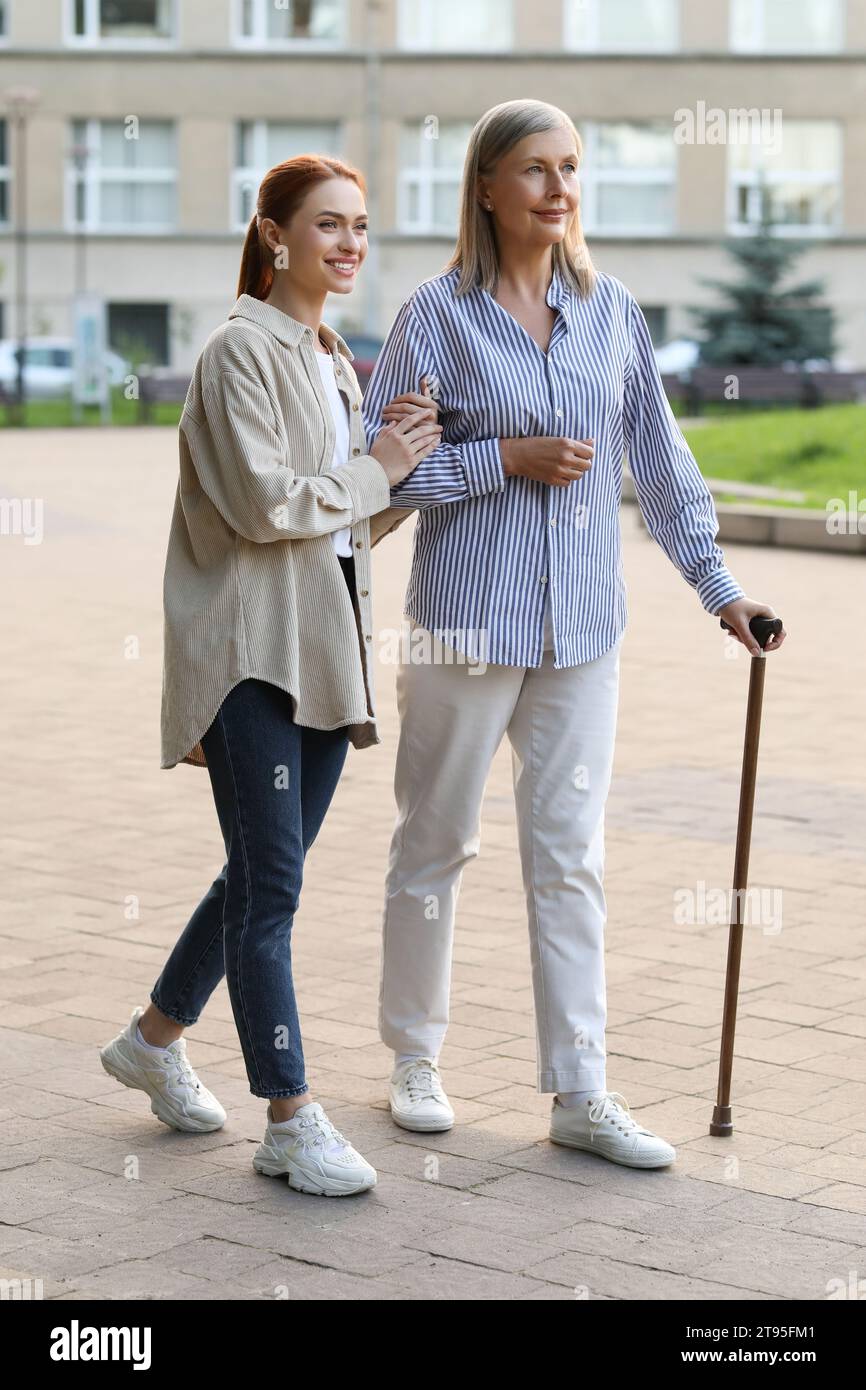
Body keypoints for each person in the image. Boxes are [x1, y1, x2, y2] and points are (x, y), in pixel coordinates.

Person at [362, 99, 786, 1168]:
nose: (558, 189)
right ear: (487, 189)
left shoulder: (609, 312)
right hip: (465, 625)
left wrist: (719, 589)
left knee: (569, 860)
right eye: (535, 171)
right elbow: (380, 478)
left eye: (570, 169)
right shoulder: (433, 316)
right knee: (434, 844)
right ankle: (414, 1056)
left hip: (581, 633)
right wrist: (501, 459)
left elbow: (662, 456)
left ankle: (579, 1087)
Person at [98, 154, 441, 1197]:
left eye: (361, 227)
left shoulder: (334, 359)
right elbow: (263, 506)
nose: (349, 244)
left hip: (326, 650)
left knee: (258, 871)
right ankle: (288, 1116)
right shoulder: (236, 353)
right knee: (275, 890)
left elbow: (336, 527)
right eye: (328, 225)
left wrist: (408, 472)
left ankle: (153, 1040)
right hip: (251, 653)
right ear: (275, 235)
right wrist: (373, 467)